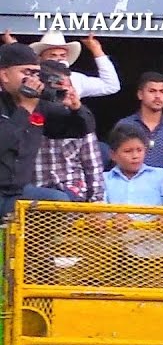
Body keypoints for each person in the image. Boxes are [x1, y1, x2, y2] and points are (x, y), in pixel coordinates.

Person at [0, 42, 91, 219]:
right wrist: (25, 109)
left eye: (36, 73)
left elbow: (81, 129)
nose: (33, 79)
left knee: (58, 202)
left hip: (18, 193)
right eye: (26, 73)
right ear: (4, 74)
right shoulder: (27, 105)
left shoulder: (39, 106)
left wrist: (76, 108)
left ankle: (36, 248)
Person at [31, 61, 101, 202]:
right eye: (58, 86)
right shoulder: (27, 110)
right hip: (34, 193)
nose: (65, 92)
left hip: (73, 192)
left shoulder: (81, 119)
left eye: (68, 86)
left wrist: (97, 202)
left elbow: (93, 165)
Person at [114, 72, 163, 188]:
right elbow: (118, 163)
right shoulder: (125, 125)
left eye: (162, 92)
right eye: (152, 91)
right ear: (140, 94)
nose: (158, 96)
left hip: (162, 192)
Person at [2, 30, 120, 99]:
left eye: (62, 55)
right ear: (40, 59)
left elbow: (111, 86)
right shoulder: (30, 78)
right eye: (52, 55)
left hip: (66, 133)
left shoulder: (76, 79)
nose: (58, 59)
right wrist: (14, 49)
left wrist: (97, 50)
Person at [103, 123, 163, 207]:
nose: (135, 156)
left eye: (139, 150)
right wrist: (114, 218)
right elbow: (98, 214)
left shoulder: (161, 176)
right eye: (128, 151)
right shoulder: (104, 180)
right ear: (113, 155)